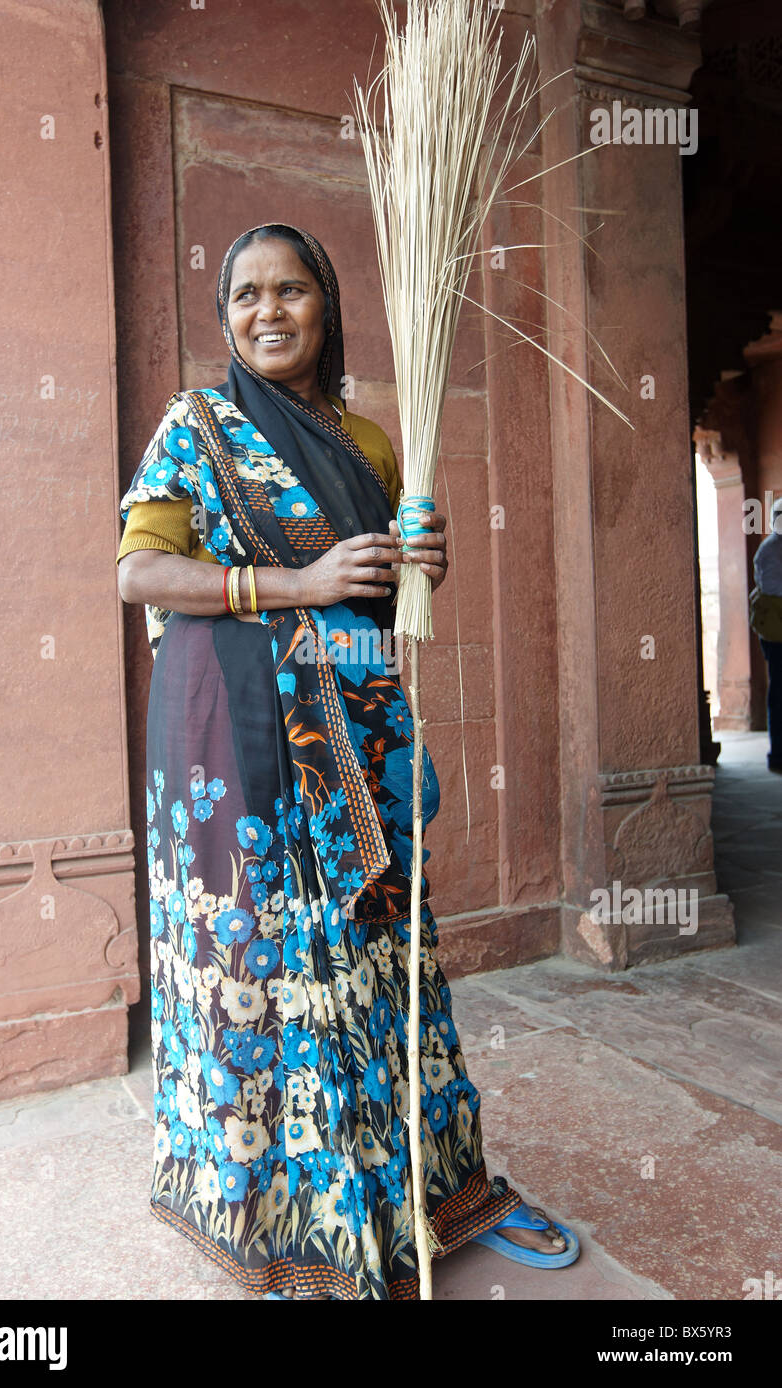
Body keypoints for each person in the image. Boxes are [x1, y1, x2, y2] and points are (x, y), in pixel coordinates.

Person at [116, 222, 579, 1299]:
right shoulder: (196, 428)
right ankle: (278, 1222)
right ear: (224, 317)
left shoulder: (369, 443)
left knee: (383, 948)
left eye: (289, 292)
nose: (265, 313)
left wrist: (414, 562)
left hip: (357, 730)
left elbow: (374, 593)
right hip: (231, 742)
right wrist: (300, 583)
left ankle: (431, 1191)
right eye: (243, 297)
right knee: (265, 968)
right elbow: (140, 574)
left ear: (326, 309)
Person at [750, 495, 782, 774]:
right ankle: (779, 755)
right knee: (780, 693)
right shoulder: (770, 550)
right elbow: (772, 588)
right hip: (776, 633)